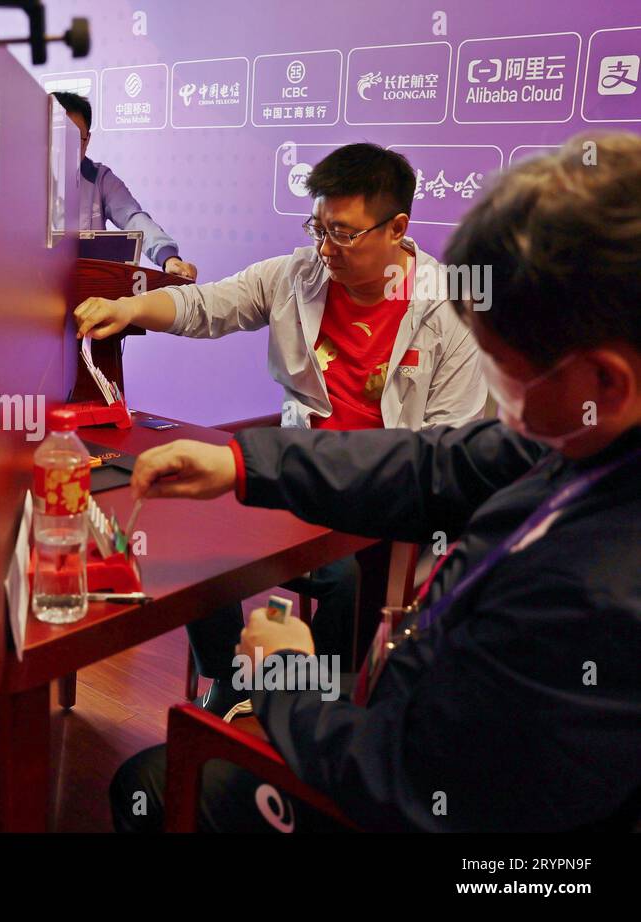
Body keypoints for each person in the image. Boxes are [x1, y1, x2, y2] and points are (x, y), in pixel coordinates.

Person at [110, 132, 641, 833]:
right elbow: (440, 462)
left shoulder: (592, 598)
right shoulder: (583, 442)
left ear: (604, 380)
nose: (494, 392)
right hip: (408, 720)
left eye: (502, 364)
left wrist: (285, 684)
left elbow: (407, 787)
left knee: (150, 785)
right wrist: (244, 464)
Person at [74, 142, 486, 715]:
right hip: (296, 474)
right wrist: (130, 310)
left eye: (342, 234)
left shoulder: (449, 308)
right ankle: (229, 682)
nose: (324, 248)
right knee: (198, 531)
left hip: (386, 493)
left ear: (397, 228)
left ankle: (317, 705)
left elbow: (448, 451)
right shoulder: (299, 274)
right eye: (317, 227)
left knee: (341, 577)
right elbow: (208, 306)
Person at [53, 91, 198, 281]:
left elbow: (133, 218)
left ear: (87, 140)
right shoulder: (20, 178)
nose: (64, 146)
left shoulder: (100, 178)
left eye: (74, 138)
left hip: (85, 286)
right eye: (58, 135)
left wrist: (168, 257)